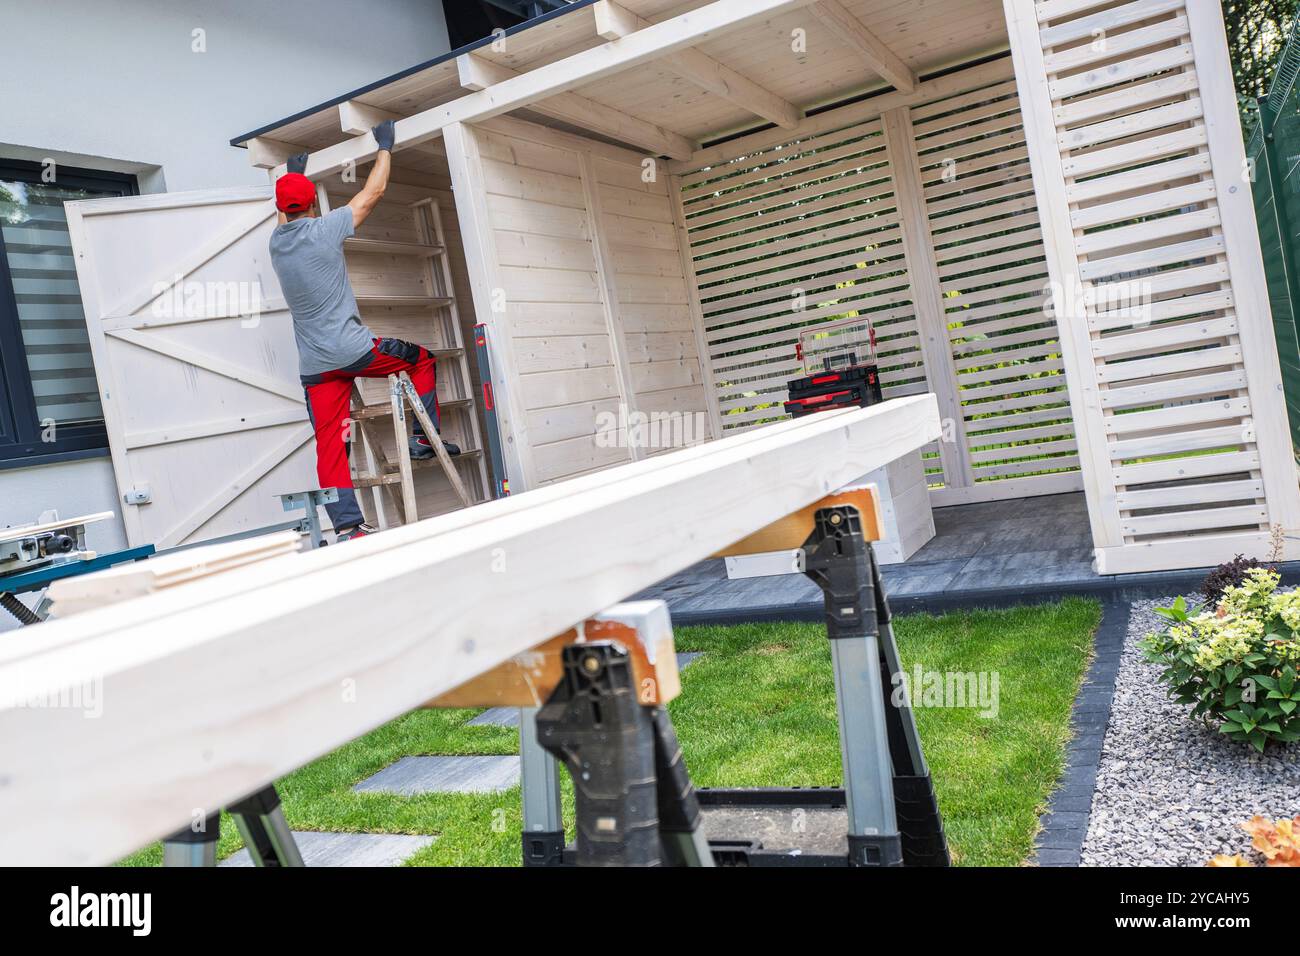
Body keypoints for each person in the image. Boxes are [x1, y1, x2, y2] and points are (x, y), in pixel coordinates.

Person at [268, 120, 457, 541]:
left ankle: (349, 526)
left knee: (330, 447)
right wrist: (384, 148)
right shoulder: (325, 229)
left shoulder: (277, 243)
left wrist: (292, 177)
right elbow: (373, 194)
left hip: (316, 368)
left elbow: (285, 210)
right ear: (311, 206)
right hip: (355, 353)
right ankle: (423, 440)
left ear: (283, 208)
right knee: (422, 358)